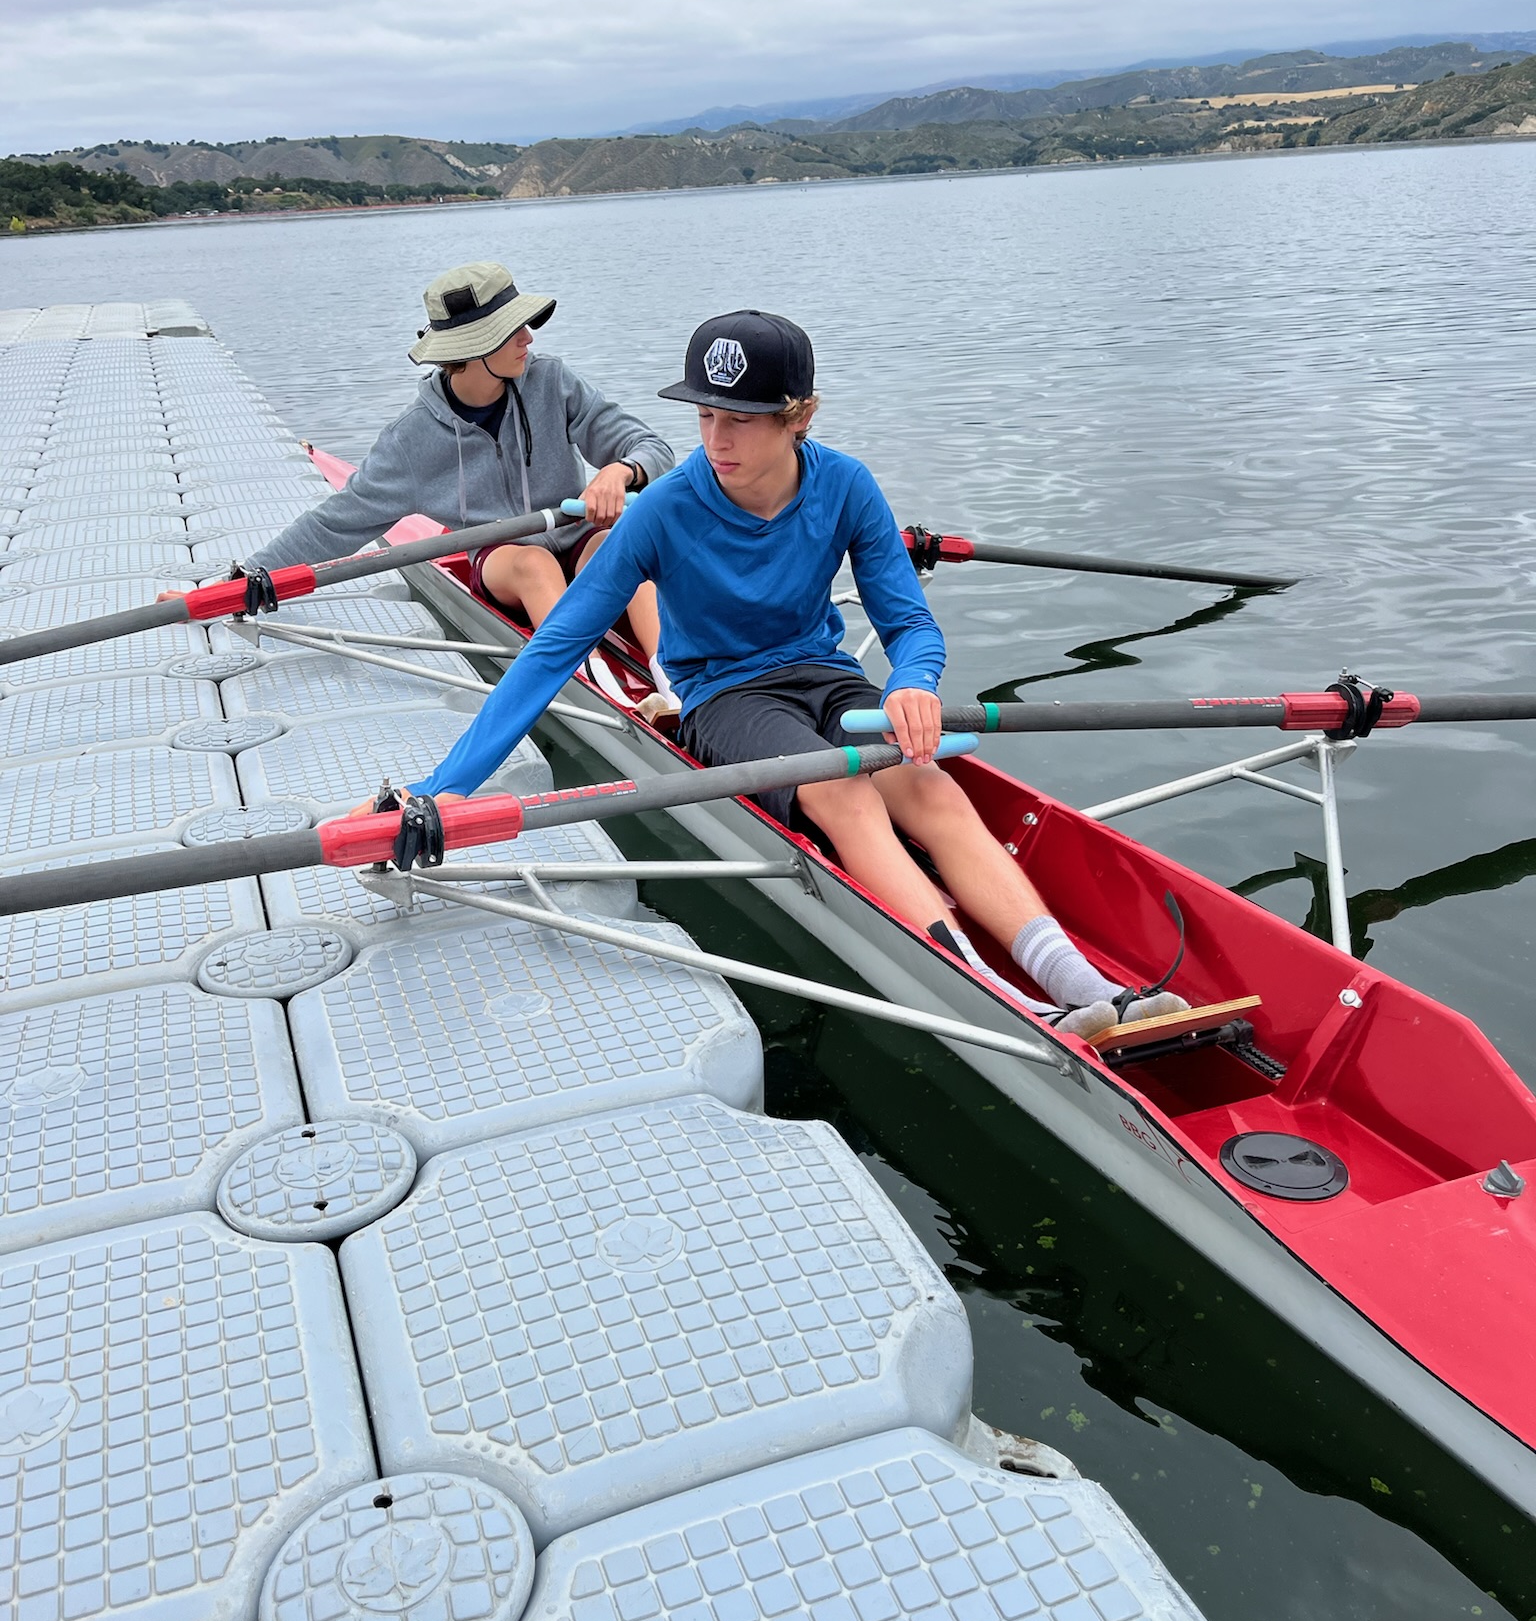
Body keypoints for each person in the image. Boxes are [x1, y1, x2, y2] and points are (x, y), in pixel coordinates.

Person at [383, 309, 1187, 1041]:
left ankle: (1088, 987)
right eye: (703, 415)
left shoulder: (845, 485)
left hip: (827, 676)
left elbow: (908, 622)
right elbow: (553, 650)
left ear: (801, 416)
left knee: (932, 784)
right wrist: (443, 786)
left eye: (740, 419)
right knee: (841, 792)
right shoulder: (664, 508)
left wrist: (912, 682)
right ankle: (1002, 999)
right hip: (721, 696)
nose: (716, 440)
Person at [245, 261, 678, 697]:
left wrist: (621, 470)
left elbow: (652, 448)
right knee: (535, 563)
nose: (529, 338)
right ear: (473, 349)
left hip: (577, 532)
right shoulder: (412, 440)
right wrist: (242, 580)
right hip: (504, 560)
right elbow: (336, 523)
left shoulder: (552, 381)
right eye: (513, 331)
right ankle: (599, 688)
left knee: (621, 544)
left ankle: (676, 679)